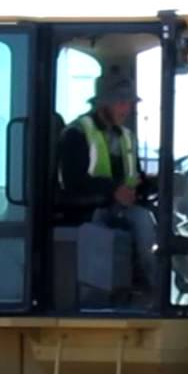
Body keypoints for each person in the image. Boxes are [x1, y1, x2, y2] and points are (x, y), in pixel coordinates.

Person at [58, 72, 160, 292]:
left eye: (129, 103)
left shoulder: (127, 136)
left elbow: (135, 178)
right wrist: (112, 190)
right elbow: (72, 182)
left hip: (120, 208)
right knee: (142, 222)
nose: (127, 109)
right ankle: (153, 291)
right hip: (88, 211)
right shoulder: (76, 134)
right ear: (103, 104)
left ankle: (149, 286)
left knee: (158, 219)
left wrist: (153, 184)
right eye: (121, 103)